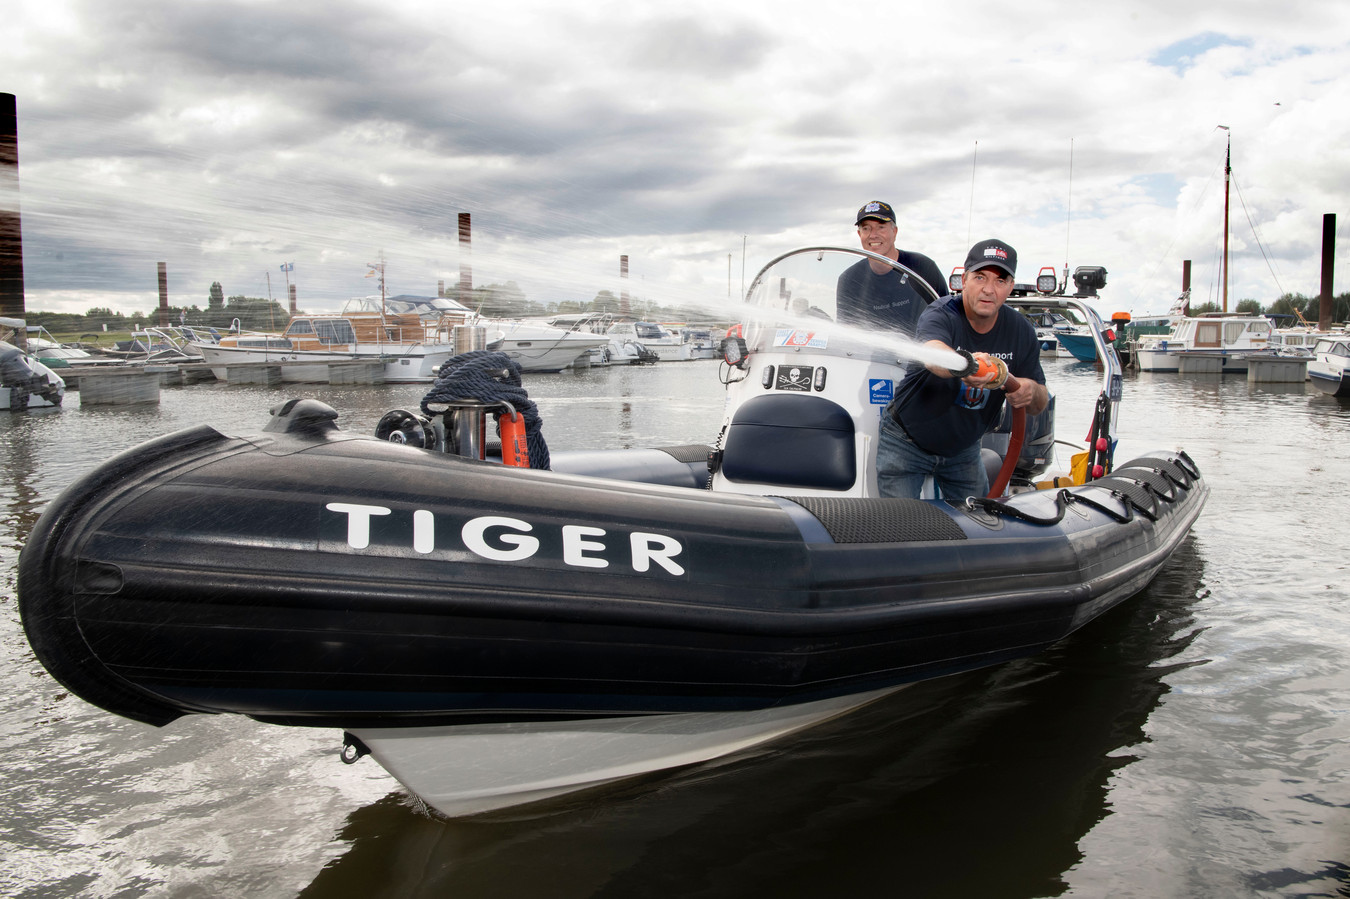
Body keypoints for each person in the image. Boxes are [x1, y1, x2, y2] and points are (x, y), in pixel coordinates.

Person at [876, 238, 1048, 500]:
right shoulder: (942, 314)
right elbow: (933, 353)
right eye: (980, 277)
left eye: (1000, 281)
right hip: (906, 441)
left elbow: (1039, 402)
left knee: (977, 525)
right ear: (964, 279)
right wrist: (966, 365)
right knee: (898, 530)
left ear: (1010, 287)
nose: (989, 289)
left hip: (964, 450)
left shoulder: (1021, 331)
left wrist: (1030, 391)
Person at [835, 200, 946, 334]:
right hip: (869, 354)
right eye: (866, 228)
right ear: (859, 234)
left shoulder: (923, 268)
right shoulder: (849, 279)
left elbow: (948, 315)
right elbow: (846, 331)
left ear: (895, 231)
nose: (873, 235)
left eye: (881, 227)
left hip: (921, 351)